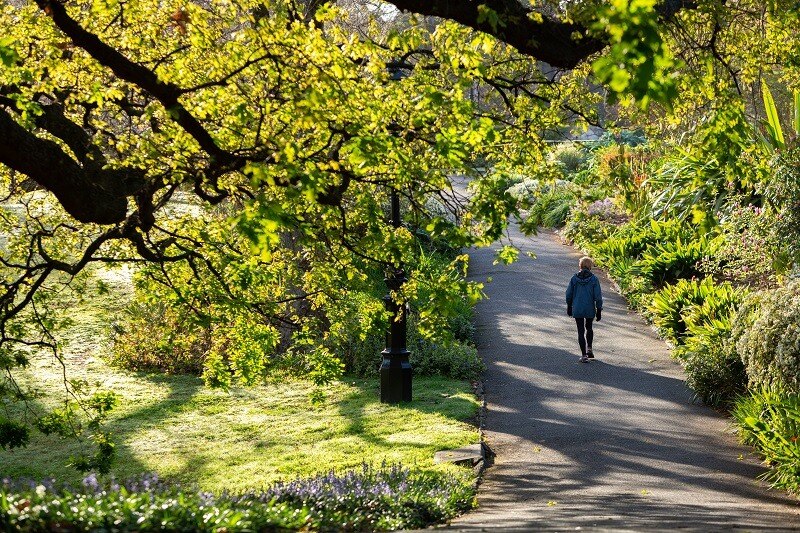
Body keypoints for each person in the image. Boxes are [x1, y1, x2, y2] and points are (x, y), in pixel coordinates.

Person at [565, 256, 603, 363]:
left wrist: (569, 306)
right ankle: (589, 348)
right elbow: (598, 296)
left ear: (580, 265)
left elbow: (569, 294)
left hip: (577, 308)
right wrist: (599, 309)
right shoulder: (594, 279)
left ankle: (584, 355)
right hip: (589, 308)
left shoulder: (574, 278)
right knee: (589, 327)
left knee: (580, 331)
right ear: (590, 266)